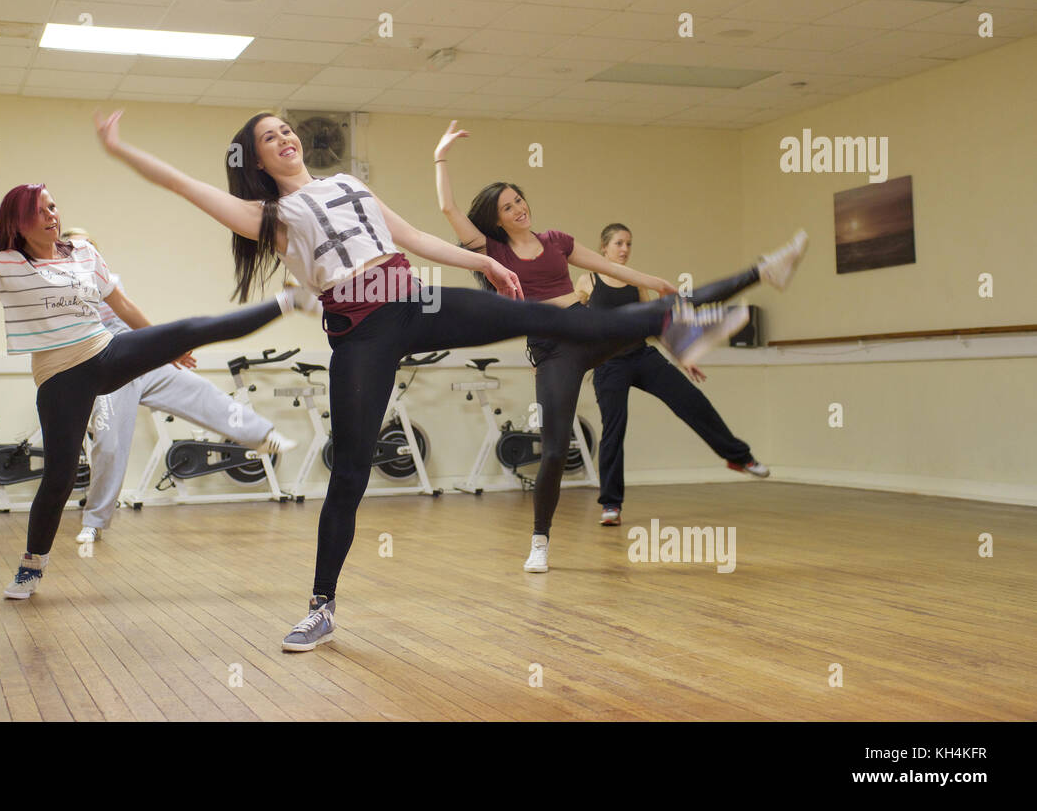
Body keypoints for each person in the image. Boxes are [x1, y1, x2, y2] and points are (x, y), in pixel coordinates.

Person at [94, 109, 759, 651]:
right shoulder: (269, 217)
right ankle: (321, 607)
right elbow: (185, 186)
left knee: (555, 318)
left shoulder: (351, 185)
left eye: (286, 128)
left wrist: (489, 265)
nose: (286, 137)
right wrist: (123, 149)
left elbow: (411, 235)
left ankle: (684, 320)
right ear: (257, 161)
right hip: (362, 332)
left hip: (415, 299)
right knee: (351, 472)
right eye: (269, 137)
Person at [0, 181, 316, 599]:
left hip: (106, 353)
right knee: (60, 475)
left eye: (54, 206)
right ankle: (31, 568)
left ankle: (288, 299)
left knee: (190, 328)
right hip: (60, 380)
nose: (53, 215)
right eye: (42, 210)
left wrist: (166, 348)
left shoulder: (85, 255)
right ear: (19, 222)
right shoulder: (3, 266)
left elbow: (123, 304)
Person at [434, 126, 807, 572]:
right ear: (496, 219)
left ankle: (765, 270)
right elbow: (448, 209)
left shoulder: (557, 241)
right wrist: (441, 158)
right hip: (554, 350)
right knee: (554, 450)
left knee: (670, 308)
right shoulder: (493, 252)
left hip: (590, 327)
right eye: (508, 206)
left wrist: (651, 282)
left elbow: (608, 266)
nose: (519, 209)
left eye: (520, 199)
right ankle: (539, 541)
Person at [58, 227, 297, 544]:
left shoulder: (107, 278)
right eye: (74, 247)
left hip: (138, 355)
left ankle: (262, 435)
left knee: (199, 391)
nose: (83, 251)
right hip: (108, 368)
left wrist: (168, 350)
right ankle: (94, 521)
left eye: (88, 246)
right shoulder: (56, 288)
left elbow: (129, 314)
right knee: (109, 444)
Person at [578, 223, 770, 527]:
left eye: (629, 243)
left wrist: (684, 356)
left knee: (691, 400)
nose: (625, 249)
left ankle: (739, 456)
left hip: (642, 356)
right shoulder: (587, 281)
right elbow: (574, 323)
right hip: (609, 365)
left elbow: (656, 325)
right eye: (618, 243)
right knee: (614, 430)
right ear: (604, 247)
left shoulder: (637, 283)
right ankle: (611, 505)